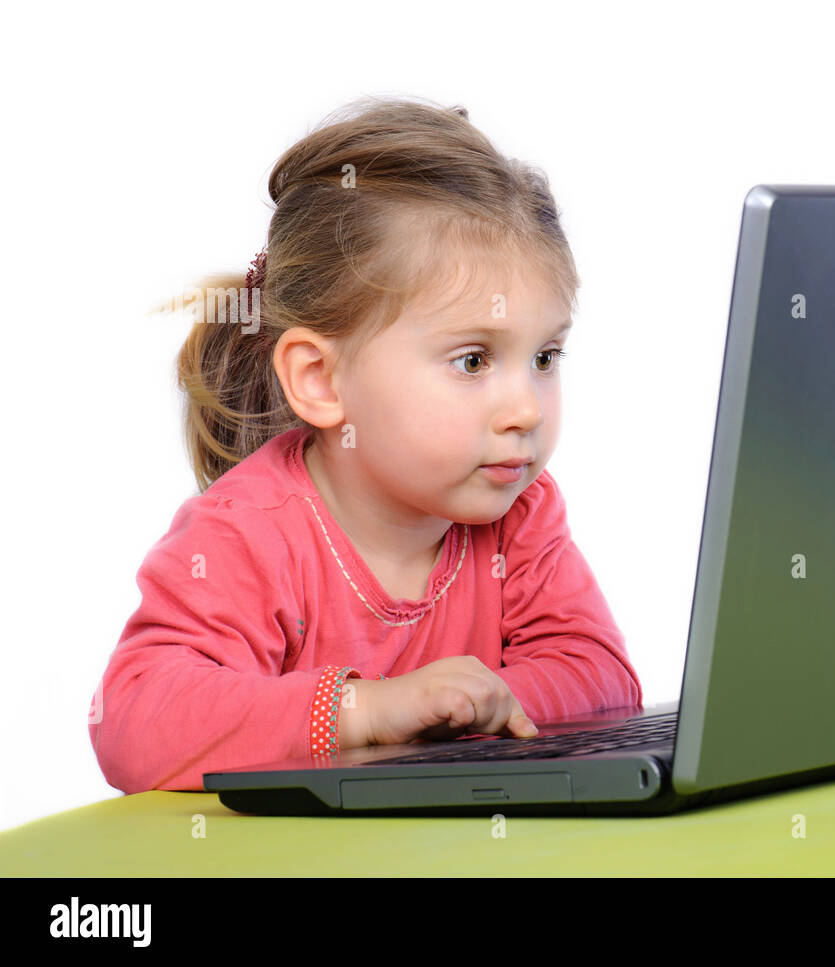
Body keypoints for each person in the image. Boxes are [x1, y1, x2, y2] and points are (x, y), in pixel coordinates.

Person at [89, 96, 643, 794]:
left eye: (545, 356)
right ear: (320, 380)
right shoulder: (247, 535)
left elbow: (603, 677)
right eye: (473, 360)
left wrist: (477, 704)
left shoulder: (521, 516)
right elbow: (134, 717)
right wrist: (366, 710)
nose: (527, 409)